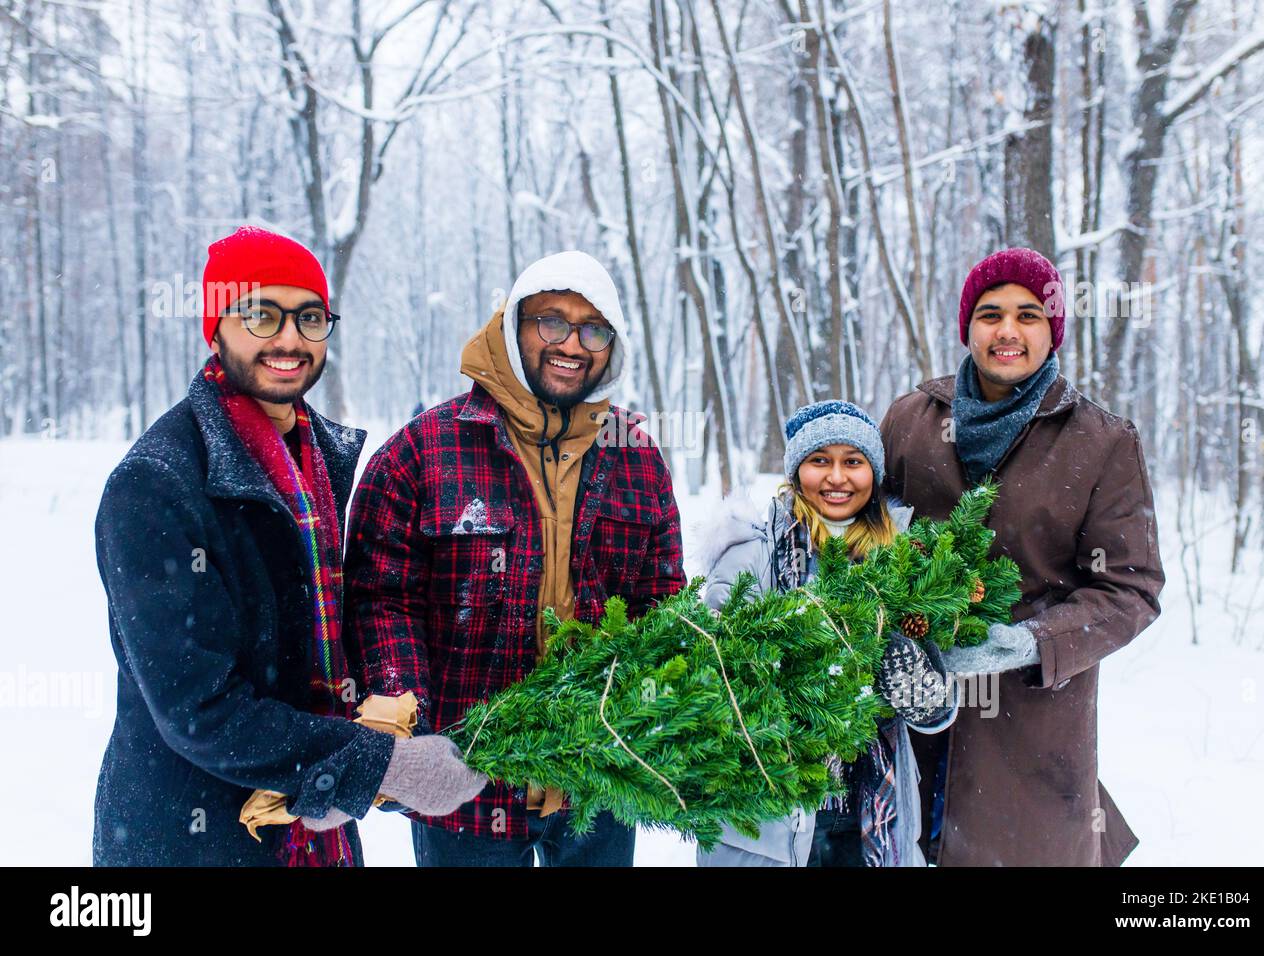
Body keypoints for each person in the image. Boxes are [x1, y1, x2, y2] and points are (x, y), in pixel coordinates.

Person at [93, 226, 483, 866]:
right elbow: (198, 707)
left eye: (309, 317)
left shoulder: (317, 462)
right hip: (196, 838)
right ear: (216, 326)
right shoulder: (157, 484)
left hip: (312, 824)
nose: (289, 339)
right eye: (261, 314)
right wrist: (381, 765)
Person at [345, 250, 686, 866]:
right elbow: (379, 597)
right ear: (513, 325)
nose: (572, 344)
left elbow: (660, 600)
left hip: (597, 779)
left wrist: (657, 715)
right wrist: (410, 731)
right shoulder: (423, 450)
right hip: (468, 782)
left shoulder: (635, 453)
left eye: (593, 329)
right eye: (551, 321)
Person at [879, 247, 1165, 866]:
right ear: (968, 327)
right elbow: (860, 538)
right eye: (990, 314)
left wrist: (1032, 641)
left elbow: (1131, 589)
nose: (1007, 330)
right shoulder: (912, 421)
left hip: (1031, 731)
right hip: (912, 718)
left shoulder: (1102, 442)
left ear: (1052, 329)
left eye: (1028, 315)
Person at [695, 400, 957, 866]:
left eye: (853, 462)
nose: (837, 478)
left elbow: (933, 707)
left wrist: (925, 695)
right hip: (770, 825)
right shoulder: (752, 552)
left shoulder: (900, 560)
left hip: (874, 815)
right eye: (820, 461)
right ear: (797, 471)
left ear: (873, 475)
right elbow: (713, 680)